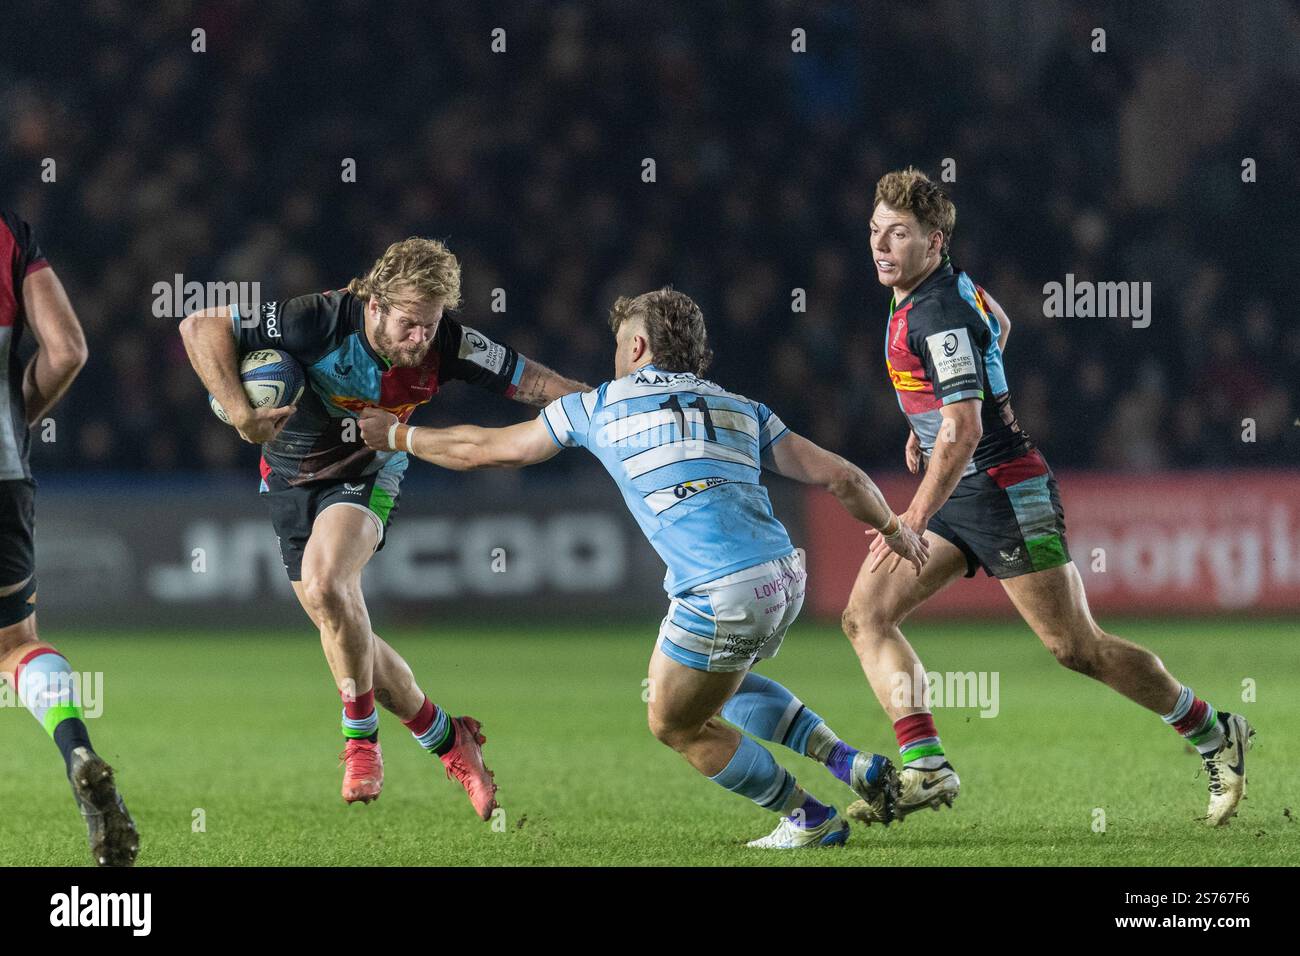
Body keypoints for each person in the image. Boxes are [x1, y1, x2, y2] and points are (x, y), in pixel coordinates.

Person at [358, 288, 929, 848]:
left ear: (636, 347)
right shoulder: (742, 408)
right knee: (713, 689)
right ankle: (850, 762)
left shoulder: (600, 406)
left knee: (674, 721)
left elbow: (487, 448)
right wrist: (894, 529)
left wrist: (401, 435)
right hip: (785, 577)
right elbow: (845, 478)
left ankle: (807, 817)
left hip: (719, 594)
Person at [841, 167, 1252, 826]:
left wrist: (914, 509)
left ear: (936, 242)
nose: (882, 247)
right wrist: (933, 424)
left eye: (900, 234)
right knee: (866, 615)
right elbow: (998, 326)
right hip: (960, 489)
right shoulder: (934, 290)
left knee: (1075, 648)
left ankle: (1213, 731)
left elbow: (968, 425)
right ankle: (926, 765)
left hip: (1005, 489)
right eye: (875, 232)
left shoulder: (938, 309)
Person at [179, 237, 587, 817]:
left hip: (369, 474)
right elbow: (199, 325)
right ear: (374, 306)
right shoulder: (314, 319)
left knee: (327, 586)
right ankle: (449, 737)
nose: (422, 339)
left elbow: (538, 384)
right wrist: (241, 414)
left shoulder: (449, 343)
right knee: (347, 631)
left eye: (431, 324)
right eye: (409, 325)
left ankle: (361, 740)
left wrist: (619, 403)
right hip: (289, 478)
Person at [0, 210, 138, 865]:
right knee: (14, 648)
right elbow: (69, 351)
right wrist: (12, 421)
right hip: (4, 474)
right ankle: (75, 749)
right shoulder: (10, 232)